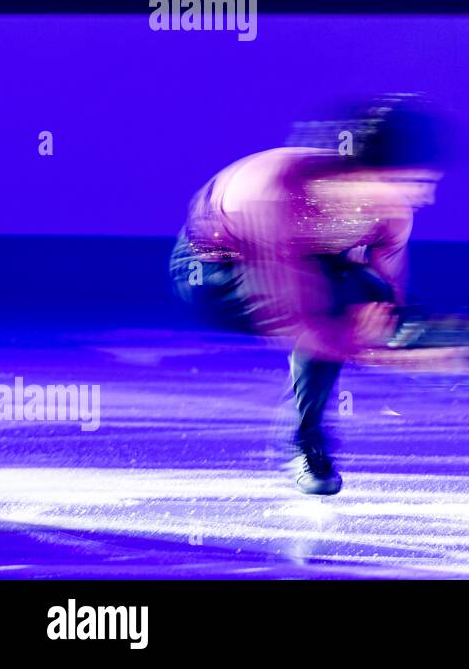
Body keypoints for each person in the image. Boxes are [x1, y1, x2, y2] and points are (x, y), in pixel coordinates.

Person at [171, 95, 442, 495]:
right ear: (371, 174)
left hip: (304, 267)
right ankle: (305, 439)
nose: (425, 198)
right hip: (212, 271)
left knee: (359, 293)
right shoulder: (271, 192)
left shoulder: (393, 216)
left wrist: (398, 336)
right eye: (415, 183)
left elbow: (386, 302)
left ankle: (306, 431)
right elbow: (292, 315)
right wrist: (370, 349)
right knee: (331, 305)